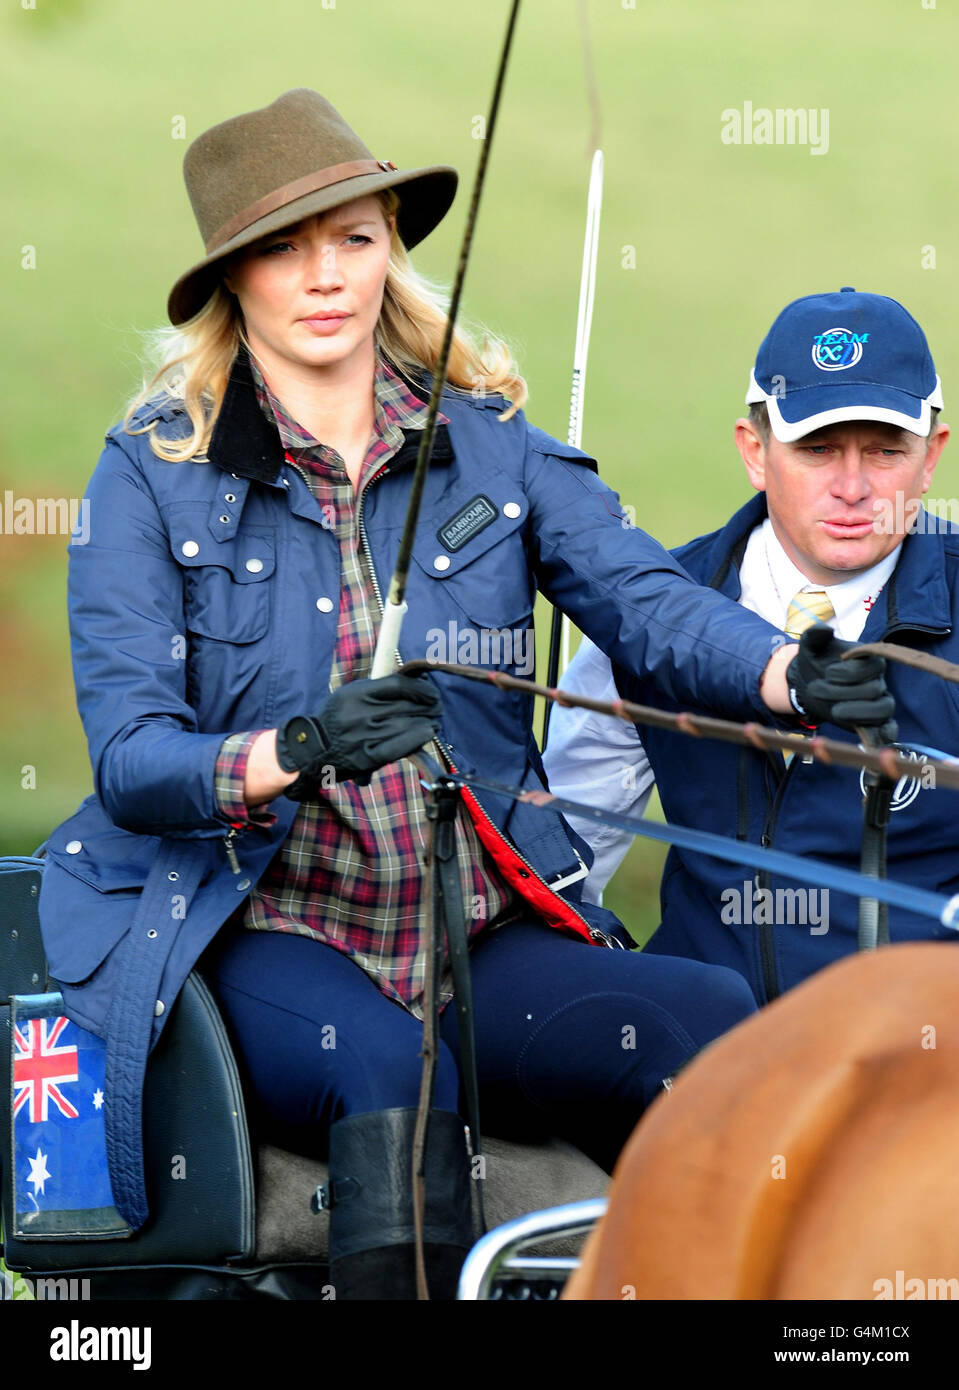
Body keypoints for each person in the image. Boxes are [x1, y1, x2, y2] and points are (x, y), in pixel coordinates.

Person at [36, 95, 893, 1302]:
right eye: (283, 248)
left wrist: (787, 672)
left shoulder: (494, 444)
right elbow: (132, 760)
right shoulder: (149, 472)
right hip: (248, 926)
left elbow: (647, 601)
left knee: (695, 1009)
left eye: (351, 237)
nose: (323, 276)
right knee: (387, 1064)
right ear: (233, 277)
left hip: (464, 929)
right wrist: (295, 747)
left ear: (391, 242)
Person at [545, 287, 955, 1007]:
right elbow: (564, 855)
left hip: (916, 1067)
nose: (853, 487)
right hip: (711, 1061)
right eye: (817, 449)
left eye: (886, 451)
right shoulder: (649, 607)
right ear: (754, 451)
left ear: (931, 458)